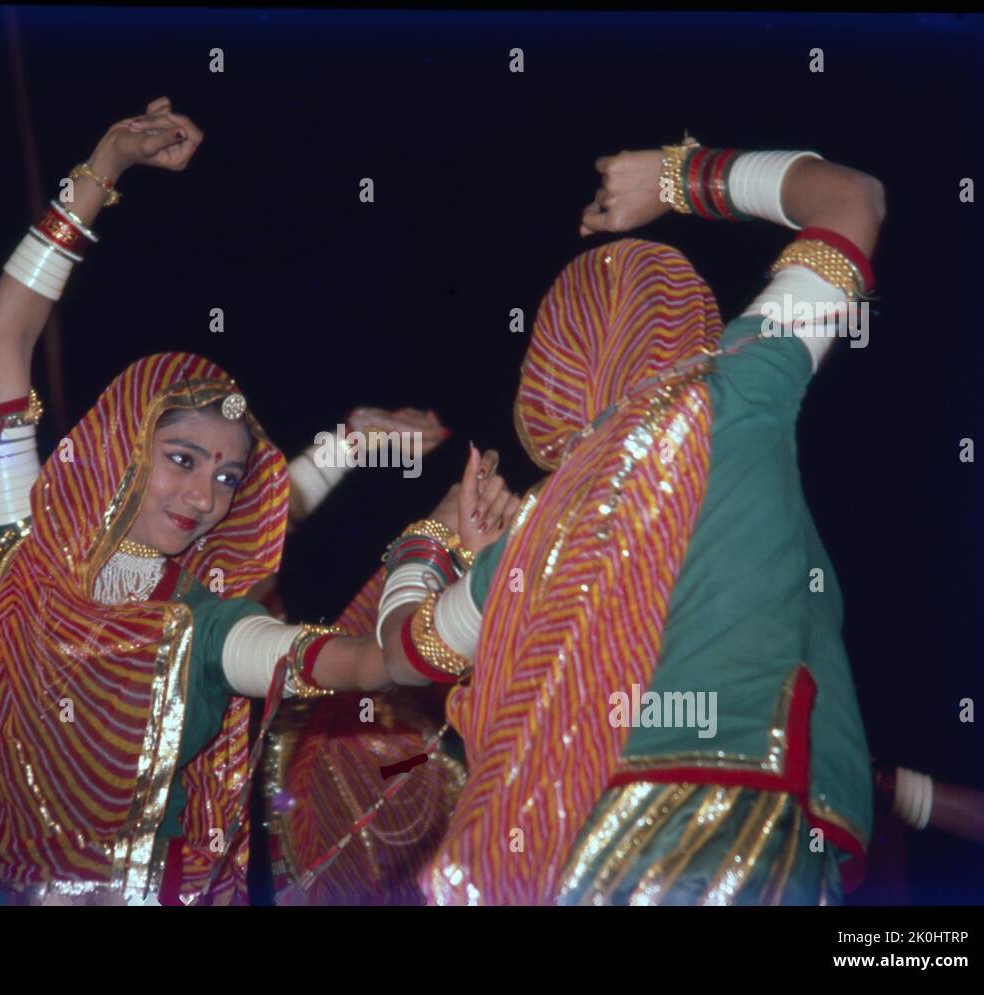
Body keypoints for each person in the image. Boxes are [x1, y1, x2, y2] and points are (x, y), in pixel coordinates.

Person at [0, 97, 514, 906]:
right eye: (183, 459)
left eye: (227, 478)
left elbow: (378, 660)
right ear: (129, 449)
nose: (204, 497)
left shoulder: (212, 627)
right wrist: (105, 168)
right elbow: (4, 336)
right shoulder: (19, 544)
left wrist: (438, 547)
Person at [373, 136, 887, 904]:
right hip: (734, 823)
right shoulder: (729, 392)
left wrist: (439, 534)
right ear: (689, 326)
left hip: (568, 858)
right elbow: (852, 199)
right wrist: (679, 178)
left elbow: (401, 654)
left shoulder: (533, 539)